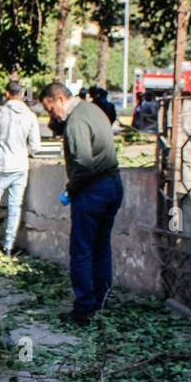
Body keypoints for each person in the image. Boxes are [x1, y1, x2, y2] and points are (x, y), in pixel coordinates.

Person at [39, 82, 123, 324]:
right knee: (101, 247)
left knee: (82, 250)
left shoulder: (76, 120)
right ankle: (101, 299)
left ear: (60, 100)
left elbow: (84, 162)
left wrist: (70, 188)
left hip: (92, 189)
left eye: (50, 109)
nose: (52, 115)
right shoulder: (93, 109)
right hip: (113, 184)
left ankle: (84, 308)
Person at [0, 80, 41, 257]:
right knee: (15, 206)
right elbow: (35, 147)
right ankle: (8, 246)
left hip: (0, 165)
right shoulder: (30, 116)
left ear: (7, 93)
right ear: (22, 94)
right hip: (21, 166)